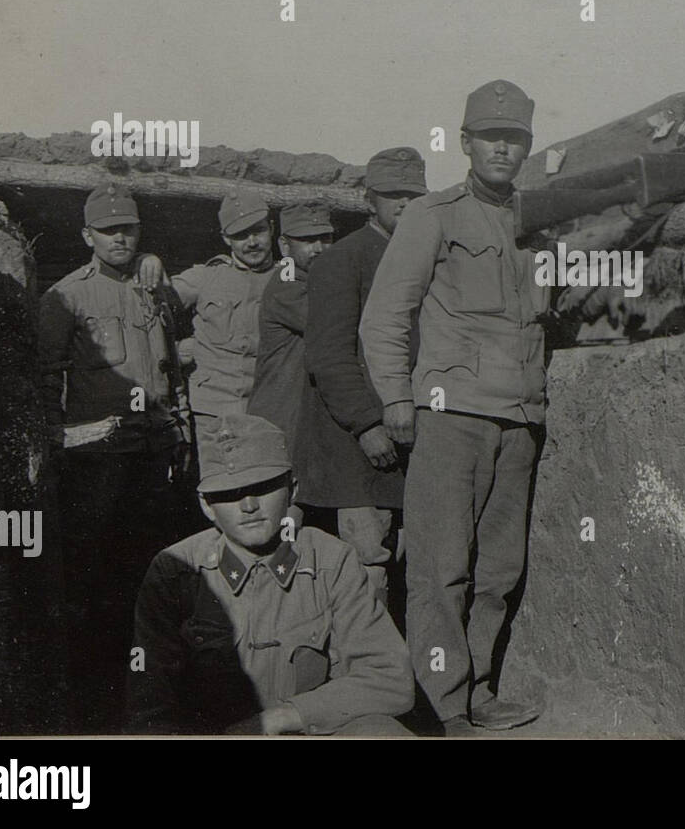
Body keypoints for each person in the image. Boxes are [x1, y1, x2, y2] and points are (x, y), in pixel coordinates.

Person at [360, 80, 548, 734]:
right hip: (451, 416)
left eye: (516, 137)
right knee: (442, 568)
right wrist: (396, 395)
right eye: (491, 136)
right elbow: (384, 316)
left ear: (527, 146)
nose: (504, 147)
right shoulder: (433, 214)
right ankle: (440, 708)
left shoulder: (537, 222)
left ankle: (478, 692)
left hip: (520, 420)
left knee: (499, 568)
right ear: (466, 143)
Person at [125, 413, 415, 736]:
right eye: (230, 493)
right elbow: (149, 706)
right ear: (207, 507)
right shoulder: (175, 571)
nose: (249, 505)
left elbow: (391, 676)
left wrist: (283, 717)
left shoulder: (330, 561)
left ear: (292, 489)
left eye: (263, 487)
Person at [38, 182, 194, 732]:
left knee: (153, 575)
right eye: (109, 230)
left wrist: (161, 273)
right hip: (99, 461)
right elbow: (42, 377)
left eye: (129, 228)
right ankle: (93, 702)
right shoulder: (67, 298)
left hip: (155, 456)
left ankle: (148, 696)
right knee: (95, 581)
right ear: (87, 236)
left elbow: (178, 351)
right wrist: (62, 440)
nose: (121, 238)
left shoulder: (151, 287)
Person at [299, 148, 426, 610]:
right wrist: (366, 424)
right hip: (360, 451)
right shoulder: (341, 261)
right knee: (366, 570)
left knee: (413, 566)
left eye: (415, 195)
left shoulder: (426, 256)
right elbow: (328, 357)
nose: (406, 204)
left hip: (413, 440)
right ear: (369, 200)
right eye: (394, 195)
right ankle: (363, 673)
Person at [168, 187, 277, 454]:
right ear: (226, 239)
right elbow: (147, 304)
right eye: (240, 235)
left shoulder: (287, 278)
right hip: (212, 411)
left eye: (258, 230)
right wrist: (174, 349)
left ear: (272, 228)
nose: (251, 242)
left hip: (269, 408)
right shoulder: (205, 277)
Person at [247, 201, 334, 458]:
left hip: (298, 416)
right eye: (307, 240)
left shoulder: (315, 278)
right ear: (285, 246)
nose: (319, 248)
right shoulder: (287, 283)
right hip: (281, 418)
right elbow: (333, 324)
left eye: (325, 239)